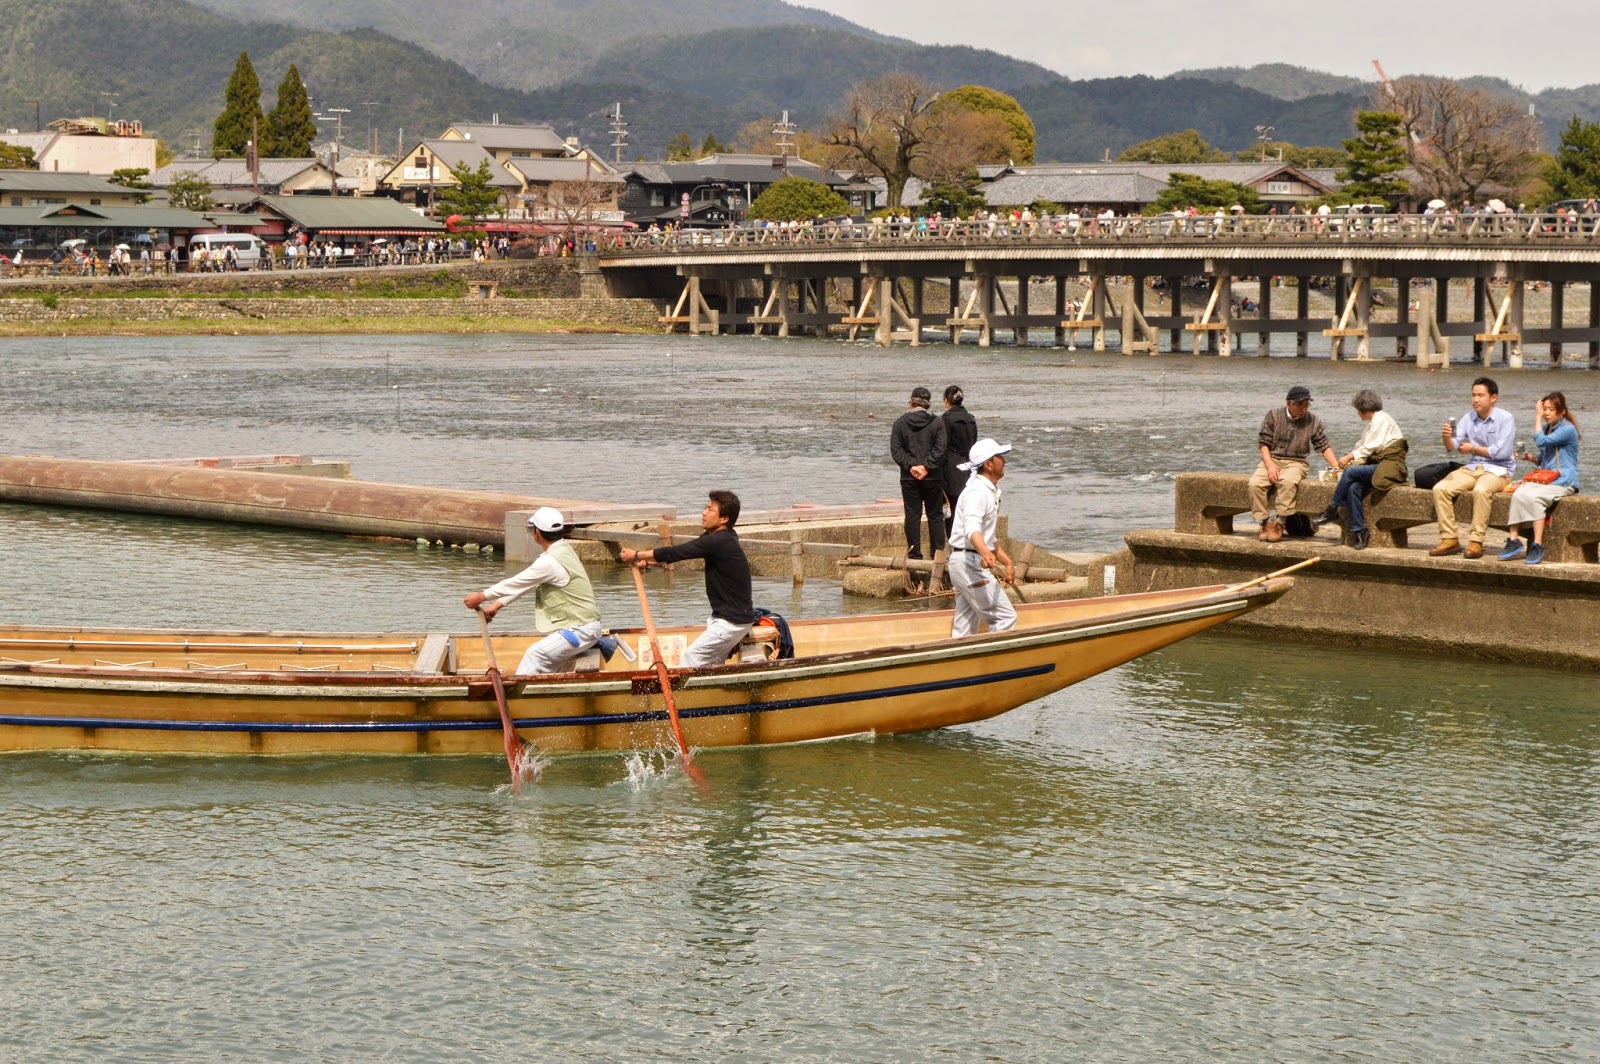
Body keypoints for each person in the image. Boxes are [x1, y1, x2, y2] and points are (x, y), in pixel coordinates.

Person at [620, 490, 755, 669]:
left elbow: (676, 552)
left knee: (692, 656)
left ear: (724, 519)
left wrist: (636, 554)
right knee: (711, 665)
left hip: (731, 623)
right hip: (726, 619)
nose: (703, 513)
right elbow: (679, 554)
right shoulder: (719, 537)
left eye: (710, 509)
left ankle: (682, 694)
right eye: (705, 508)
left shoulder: (719, 541)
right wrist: (647, 562)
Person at [462, 507, 602, 675]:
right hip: (583, 628)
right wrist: (496, 605)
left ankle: (517, 695)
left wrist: (481, 596)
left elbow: (516, 583)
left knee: (535, 654)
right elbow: (526, 584)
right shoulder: (563, 549)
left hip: (580, 630)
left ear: (537, 533)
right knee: (545, 659)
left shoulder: (549, 561)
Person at [1311, 390, 1408, 550]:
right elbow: (1361, 446)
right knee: (1353, 488)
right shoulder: (1372, 424)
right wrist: (1349, 459)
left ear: (1363, 408)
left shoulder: (1381, 420)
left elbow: (1371, 446)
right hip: (1379, 465)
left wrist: (1348, 458)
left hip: (1390, 467)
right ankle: (1359, 530)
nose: (1357, 413)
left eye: (1358, 410)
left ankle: (1332, 509)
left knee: (1350, 473)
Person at [1431, 376, 1516, 559]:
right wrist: (1446, 436)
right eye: (1473, 395)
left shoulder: (1506, 418)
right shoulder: (1468, 418)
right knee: (1441, 488)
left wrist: (1473, 448)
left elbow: (1501, 452)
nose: (1475, 399)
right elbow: (1452, 446)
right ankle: (1450, 539)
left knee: (1481, 490)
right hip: (1474, 467)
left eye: (1480, 395)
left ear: (1493, 398)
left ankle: (1476, 541)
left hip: (1500, 470)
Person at [1248, 385, 1338, 542]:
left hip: (1297, 461)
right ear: (1289, 403)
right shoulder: (1274, 415)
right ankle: (1263, 522)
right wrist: (1269, 465)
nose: (1304, 409)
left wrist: (1336, 466)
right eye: (1300, 405)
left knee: (1288, 482)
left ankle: (1279, 523)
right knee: (1255, 484)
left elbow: (1323, 446)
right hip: (1272, 458)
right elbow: (1263, 443)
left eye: (1306, 404)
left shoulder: (1313, 420)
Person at [947, 438, 1017, 639]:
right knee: (1005, 617)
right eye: (999, 457)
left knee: (965, 624)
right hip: (969, 562)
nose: (1003, 461)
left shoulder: (987, 491)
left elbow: (989, 537)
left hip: (964, 561)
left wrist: (1007, 562)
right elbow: (972, 530)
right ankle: (997, 665)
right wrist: (985, 554)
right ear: (988, 464)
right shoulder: (977, 492)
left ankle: (960, 666)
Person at [1499, 391, 1579, 565]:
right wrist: (1530, 458)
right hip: (1546, 478)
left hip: (1563, 481)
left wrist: (1537, 417)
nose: (1546, 413)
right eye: (1544, 409)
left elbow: (1542, 442)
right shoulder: (1546, 429)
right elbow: (1544, 460)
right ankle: (1513, 540)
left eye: (1551, 409)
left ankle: (1537, 545)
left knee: (1535, 498)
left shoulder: (1568, 429)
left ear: (1562, 411)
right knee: (1519, 493)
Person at [889, 386, 948, 562]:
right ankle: (937, 555)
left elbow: (896, 450)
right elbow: (940, 449)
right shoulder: (937, 423)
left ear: (911, 401)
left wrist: (912, 466)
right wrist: (927, 466)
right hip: (932, 476)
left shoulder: (900, 423)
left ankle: (914, 555)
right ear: (928, 404)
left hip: (909, 477)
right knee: (935, 515)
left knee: (912, 515)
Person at [940, 384, 978, 515]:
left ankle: (952, 535)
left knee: (951, 505)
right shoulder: (971, 419)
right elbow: (974, 443)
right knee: (966, 506)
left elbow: (942, 446)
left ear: (946, 400)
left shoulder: (945, 419)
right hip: (969, 464)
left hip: (951, 465)